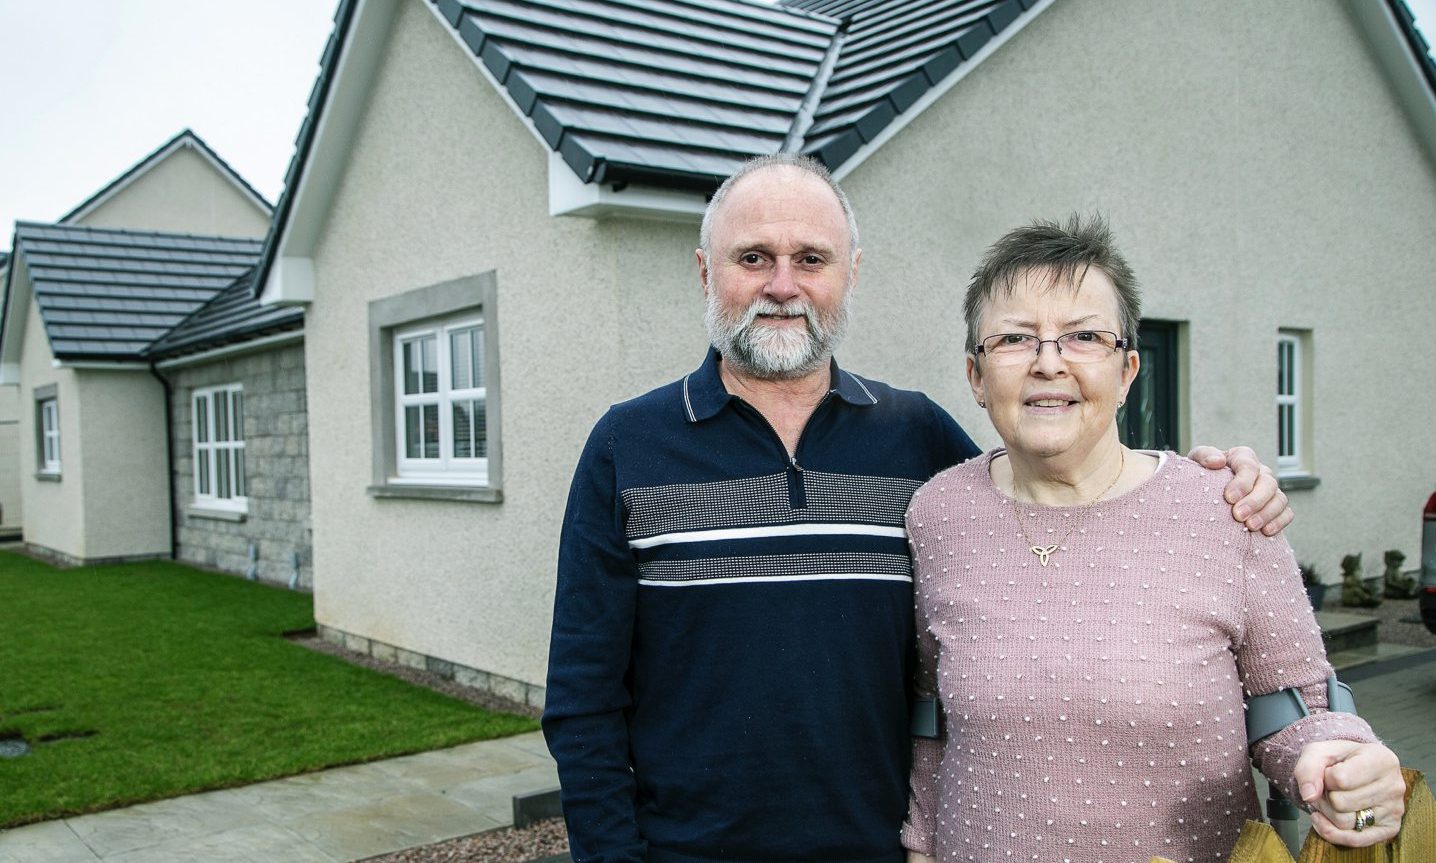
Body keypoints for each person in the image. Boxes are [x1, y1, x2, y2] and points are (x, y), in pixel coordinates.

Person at [543, 155, 1291, 863]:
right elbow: (583, 701)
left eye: (810, 258)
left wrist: (1202, 483)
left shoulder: (915, 435)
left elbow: (1053, 487)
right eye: (751, 258)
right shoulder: (627, 446)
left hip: (884, 848)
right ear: (706, 272)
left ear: (849, 274)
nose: (781, 283)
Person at [901, 216, 1406, 863]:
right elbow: (929, 713)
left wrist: (1344, 768)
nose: (1047, 362)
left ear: (1128, 368)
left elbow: (1302, 709)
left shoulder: (1226, 510)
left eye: (1083, 335)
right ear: (975, 374)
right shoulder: (937, 513)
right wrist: (919, 844)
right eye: (1013, 338)